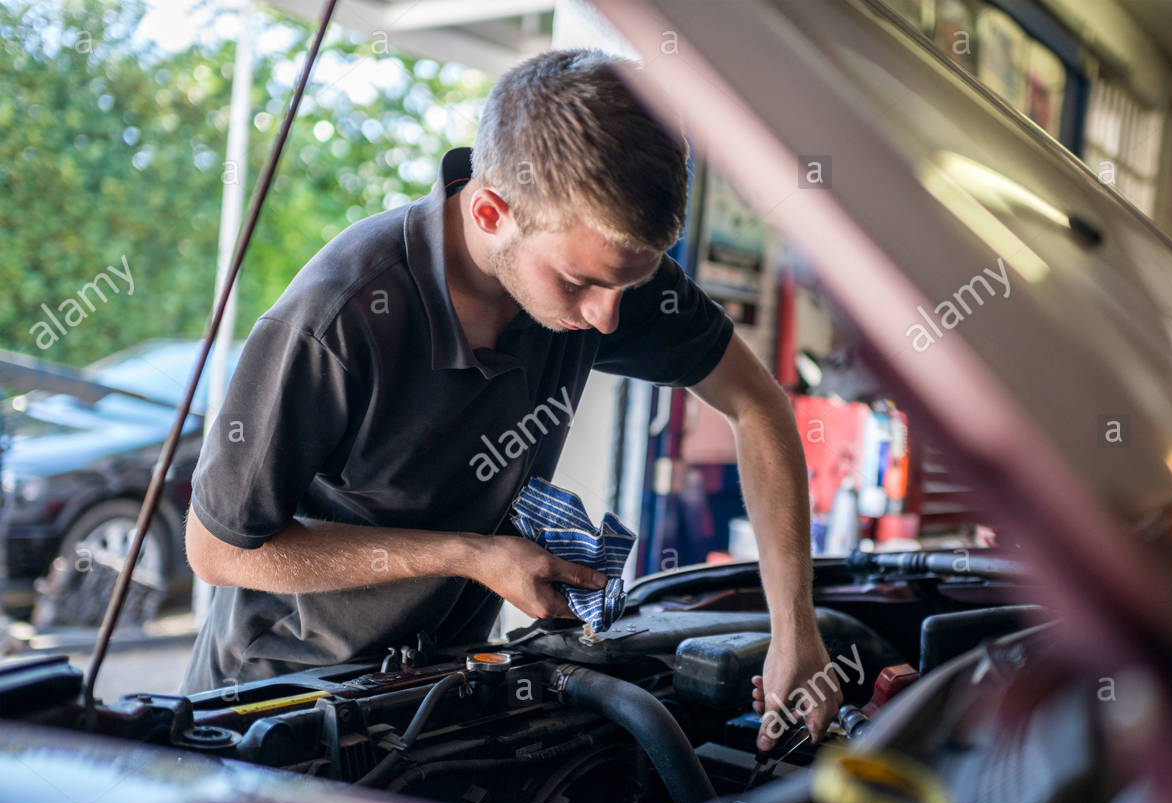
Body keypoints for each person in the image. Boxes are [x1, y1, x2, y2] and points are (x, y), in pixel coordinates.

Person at [180, 49, 842, 750]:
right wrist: (471, 554)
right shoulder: (337, 320)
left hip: (436, 700)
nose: (609, 319)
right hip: (276, 714)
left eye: (631, 283)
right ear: (493, 211)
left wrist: (795, 629)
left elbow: (758, 405)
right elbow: (219, 550)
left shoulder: (602, 276)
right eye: (581, 283)